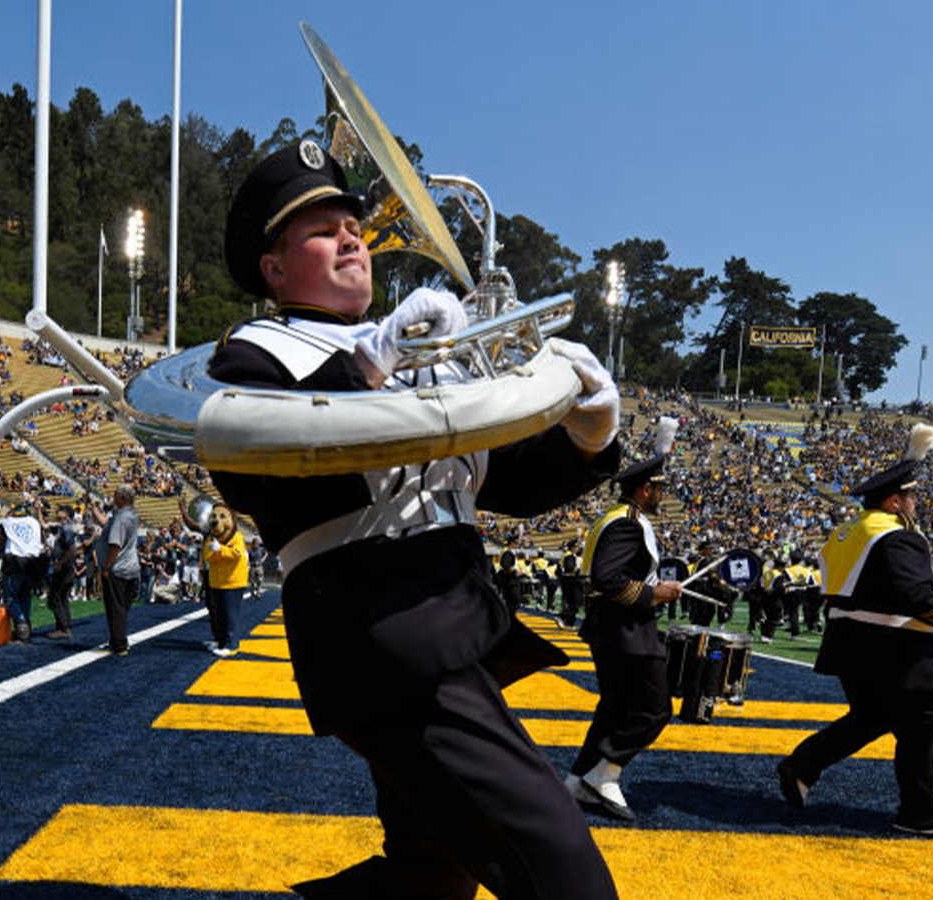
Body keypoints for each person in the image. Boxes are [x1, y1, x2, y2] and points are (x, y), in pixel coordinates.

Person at [204, 140, 622, 899]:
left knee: (433, 874)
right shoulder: (255, 351)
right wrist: (369, 364)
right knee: (566, 875)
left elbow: (499, 483)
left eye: (354, 226)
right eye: (323, 230)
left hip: (449, 623)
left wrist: (590, 438)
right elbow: (250, 462)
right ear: (273, 268)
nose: (353, 236)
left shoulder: (415, 352)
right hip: (385, 632)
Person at [776, 423, 933, 836]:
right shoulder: (896, 536)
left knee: (869, 717)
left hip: (849, 645)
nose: (916, 503)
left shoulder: (845, 532)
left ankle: (802, 765)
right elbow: (916, 594)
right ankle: (918, 814)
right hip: (894, 650)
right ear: (894, 501)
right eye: (912, 497)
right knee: (921, 726)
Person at [567, 417, 683, 822]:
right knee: (654, 709)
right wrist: (656, 593)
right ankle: (606, 773)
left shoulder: (615, 517)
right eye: (660, 488)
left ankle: (577, 779)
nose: (663, 494)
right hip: (626, 629)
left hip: (613, 626)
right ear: (644, 489)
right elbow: (608, 578)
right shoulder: (628, 524)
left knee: (614, 707)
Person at [190, 497, 247, 657]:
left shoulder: (237, 537)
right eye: (214, 517)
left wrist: (220, 549)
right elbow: (209, 557)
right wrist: (216, 551)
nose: (217, 521)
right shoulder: (210, 538)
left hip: (233, 583)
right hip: (217, 583)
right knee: (220, 616)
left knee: (230, 616)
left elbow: (236, 555)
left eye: (222, 516)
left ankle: (231, 645)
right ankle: (220, 641)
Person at [90, 487, 139, 656]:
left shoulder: (120, 518)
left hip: (117, 569)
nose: (113, 496)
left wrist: (106, 567)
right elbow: (105, 523)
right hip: (131, 567)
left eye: (116, 494)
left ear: (123, 498)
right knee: (121, 608)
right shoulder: (131, 514)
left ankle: (119, 645)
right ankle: (118, 641)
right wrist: (93, 509)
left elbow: (114, 545)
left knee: (115, 609)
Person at [0, 502, 44, 644]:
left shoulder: (8, 523)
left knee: (11, 597)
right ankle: (26, 627)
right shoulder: (34, 523)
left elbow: (3, 541)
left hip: (14, 562)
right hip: (32, 562)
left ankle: (22, 628)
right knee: (25, 596)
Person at [45, 506, 79, 640]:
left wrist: (60, 563)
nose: (57, 512)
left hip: (64, 568)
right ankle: (65, 626)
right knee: (63, 598)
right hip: (67, 568)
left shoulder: (66, 528)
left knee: (56, 597)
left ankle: (63, 628)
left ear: (66, 514)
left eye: (60, 510)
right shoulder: (64, 527)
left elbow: (72, 550)